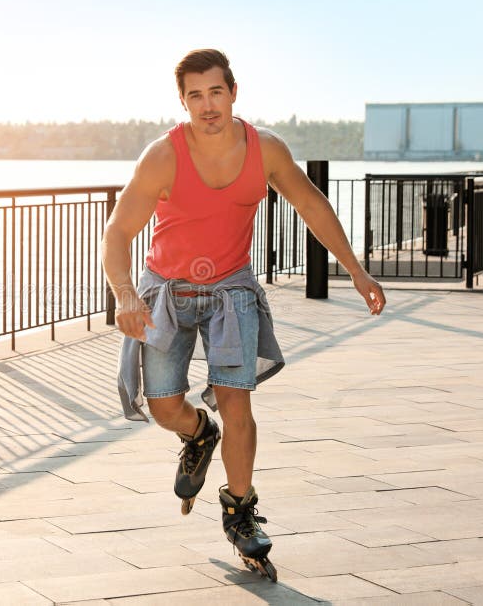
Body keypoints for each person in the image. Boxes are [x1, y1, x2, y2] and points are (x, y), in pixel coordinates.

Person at [100, 49, 385, 577]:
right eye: (195, 96)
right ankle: (197, 434)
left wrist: (357, 271)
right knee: (164, 407)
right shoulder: (163, 156)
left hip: (231, 290)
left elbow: (312, 205)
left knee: (237, 402)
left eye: (216, 92)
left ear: (233, 92)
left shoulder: (265, 150)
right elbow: (117, 231)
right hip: (167, 290)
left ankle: (240, 511)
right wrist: (125, 294)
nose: (207, 105)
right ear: (183, 101)